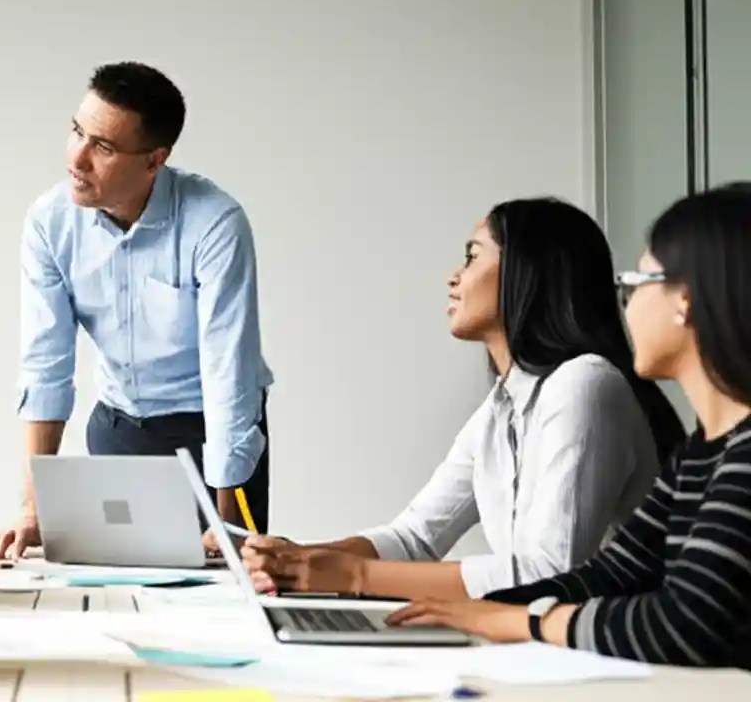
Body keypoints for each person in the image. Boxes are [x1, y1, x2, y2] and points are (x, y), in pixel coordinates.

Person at [242, 198, 684, 600]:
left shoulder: (585, 383)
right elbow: (415, 538)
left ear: (527, 269)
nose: (454, 276)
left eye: (472, 256)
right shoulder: (502, 407)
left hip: (618, 658)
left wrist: (354, 575)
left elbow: (550, 571)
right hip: (546, 641)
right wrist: (297, 558)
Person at [387, 183, 751, 670]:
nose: (623, 301)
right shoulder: (701, 454)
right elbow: (609, 572)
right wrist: (479, 611)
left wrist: (526, 622)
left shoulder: (744, 455)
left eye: (637, 283)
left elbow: (681, 625)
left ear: (683, 299)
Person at [0, 61, 275, 559]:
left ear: (154, 160)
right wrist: (33, 508)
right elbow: (45, 367)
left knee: (230, 582)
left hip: (213, 432)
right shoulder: (50, 223)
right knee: (119, 590)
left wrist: (226, 521)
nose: (77, 158)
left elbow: (229, 373)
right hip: (121, 426)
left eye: (104, 147)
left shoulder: (214, 223)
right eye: (78, 131)